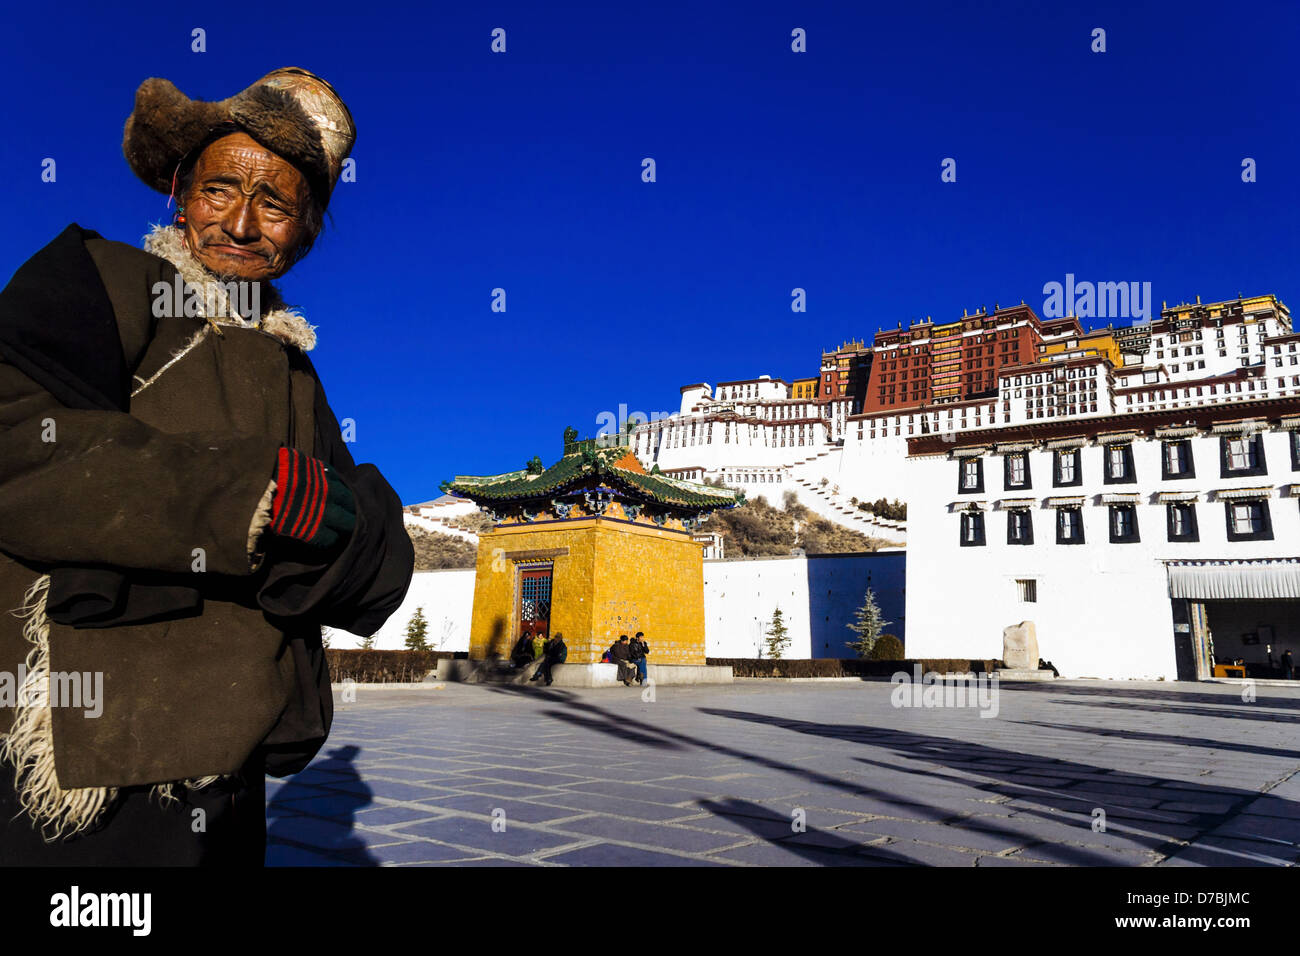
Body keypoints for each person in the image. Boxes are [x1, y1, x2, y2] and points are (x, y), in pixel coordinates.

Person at [0, 68, 414, 865]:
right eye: (221, 188)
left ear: (307, 231)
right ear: (181, 194)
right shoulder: (100, 280)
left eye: (278, 204)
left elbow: (360, 540)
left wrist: (337, 531)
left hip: (231, 752)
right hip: (84, 744)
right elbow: (22, 443)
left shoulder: (293, 367)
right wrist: (247, 503)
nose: (243, 222)